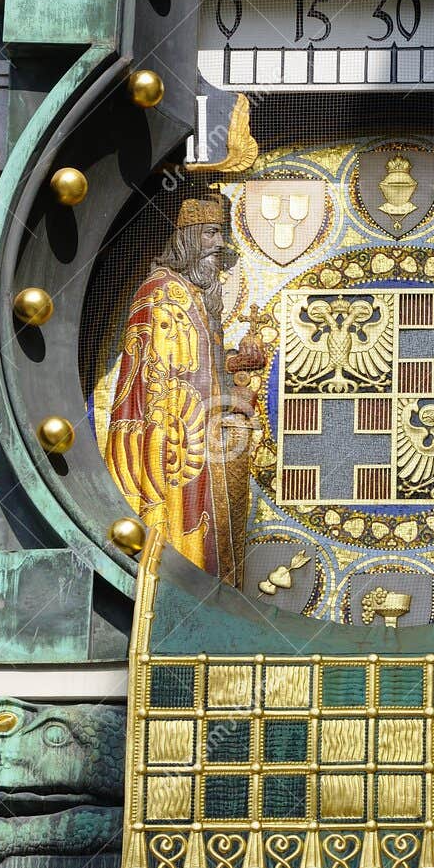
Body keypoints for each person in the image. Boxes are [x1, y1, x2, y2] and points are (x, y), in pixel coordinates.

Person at [105, 196, 249, 582]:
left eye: (221, 234)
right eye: (212, 233)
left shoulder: (194, 295)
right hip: (167, 436)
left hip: (192, 428)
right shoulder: (163, 293)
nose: (219, 245)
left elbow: (198, 363)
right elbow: (170, 378)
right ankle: (183, 569)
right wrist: (226, 398)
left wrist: (235, 362)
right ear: (187, 238)